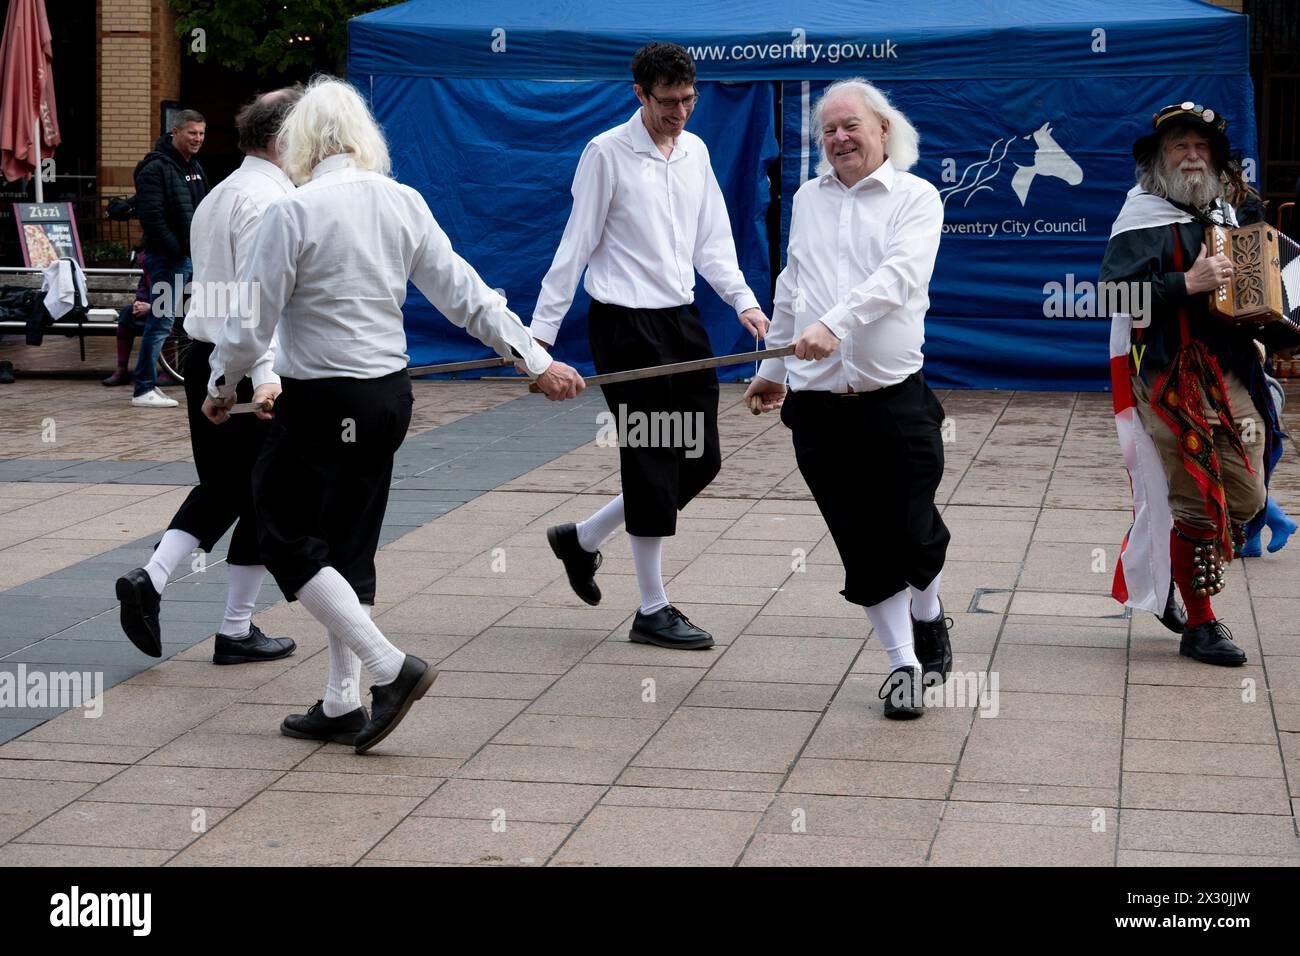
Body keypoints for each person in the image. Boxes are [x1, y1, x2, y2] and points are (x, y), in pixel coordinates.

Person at [204, 76, 585, 753]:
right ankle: (341, 700)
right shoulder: (403, 201)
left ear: (300, 144)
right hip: (388, 398)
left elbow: (249, 322)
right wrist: (534, 360)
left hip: (321, 399)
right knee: (349, 542)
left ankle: (387, 668)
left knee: (281, 528)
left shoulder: (292, 211)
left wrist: (221, 384)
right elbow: (467, 295)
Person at [535, 42, 769, 651]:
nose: (681, 111)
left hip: (681, 321)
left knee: (701, 457)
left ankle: (583, 538)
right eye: (668, 102)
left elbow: (714, 239)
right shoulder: (605, 154)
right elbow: (574, 245)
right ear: (639, 94)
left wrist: (744, 302)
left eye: (689, 98)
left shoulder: (694, 150)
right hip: (624, 328)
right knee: (648, 456)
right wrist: (539, 337)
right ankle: (651, 608)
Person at [743, 78, 950, 719]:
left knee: (915, 532)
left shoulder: (917, 198)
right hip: (820, 406)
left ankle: (929, 610)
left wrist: (833, 324)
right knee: (860, 539)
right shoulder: (807, 199)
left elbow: (900, 276)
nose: (838, 138)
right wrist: (774, 364)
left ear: (882, 129)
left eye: (850, 125)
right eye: (828, 130)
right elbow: (792, 281)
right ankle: (903, 665)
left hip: (897, 400)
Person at [1102, 102, 1300, 665]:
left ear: (1215, 158)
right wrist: (1184, 282)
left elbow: (1268, 293)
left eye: (1201, 147)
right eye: (1179, 147)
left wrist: (1279, 317)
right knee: (1195, 501)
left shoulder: (1233, 214)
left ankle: (1170, 571)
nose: (1192, 156)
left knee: (1245, 496)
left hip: (1234, 372)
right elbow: (1112, 298)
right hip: (1169, 378)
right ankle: (1201, 623)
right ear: (1160, 159)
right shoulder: (1139, 218)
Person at [115, 88, 304, 667]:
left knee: (229, 487)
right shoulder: (273, 201)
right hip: (246, 361)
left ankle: (156, 581)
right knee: (261, 493)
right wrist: (268, 374)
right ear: (282, 139)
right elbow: (260, 302)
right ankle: (232, 625)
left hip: (207, 353)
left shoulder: (221, 191)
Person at [131, 109, 207, 408]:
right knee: (161, 322)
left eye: (201, 133)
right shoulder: (155, 168)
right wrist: (177, 249)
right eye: (192, 133)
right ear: (175, 132)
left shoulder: (195, 166)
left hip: (186, 256)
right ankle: (143, 389)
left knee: (175, 318)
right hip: (167, 259)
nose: (198, 139)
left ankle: (147, 386)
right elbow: (152, 217)